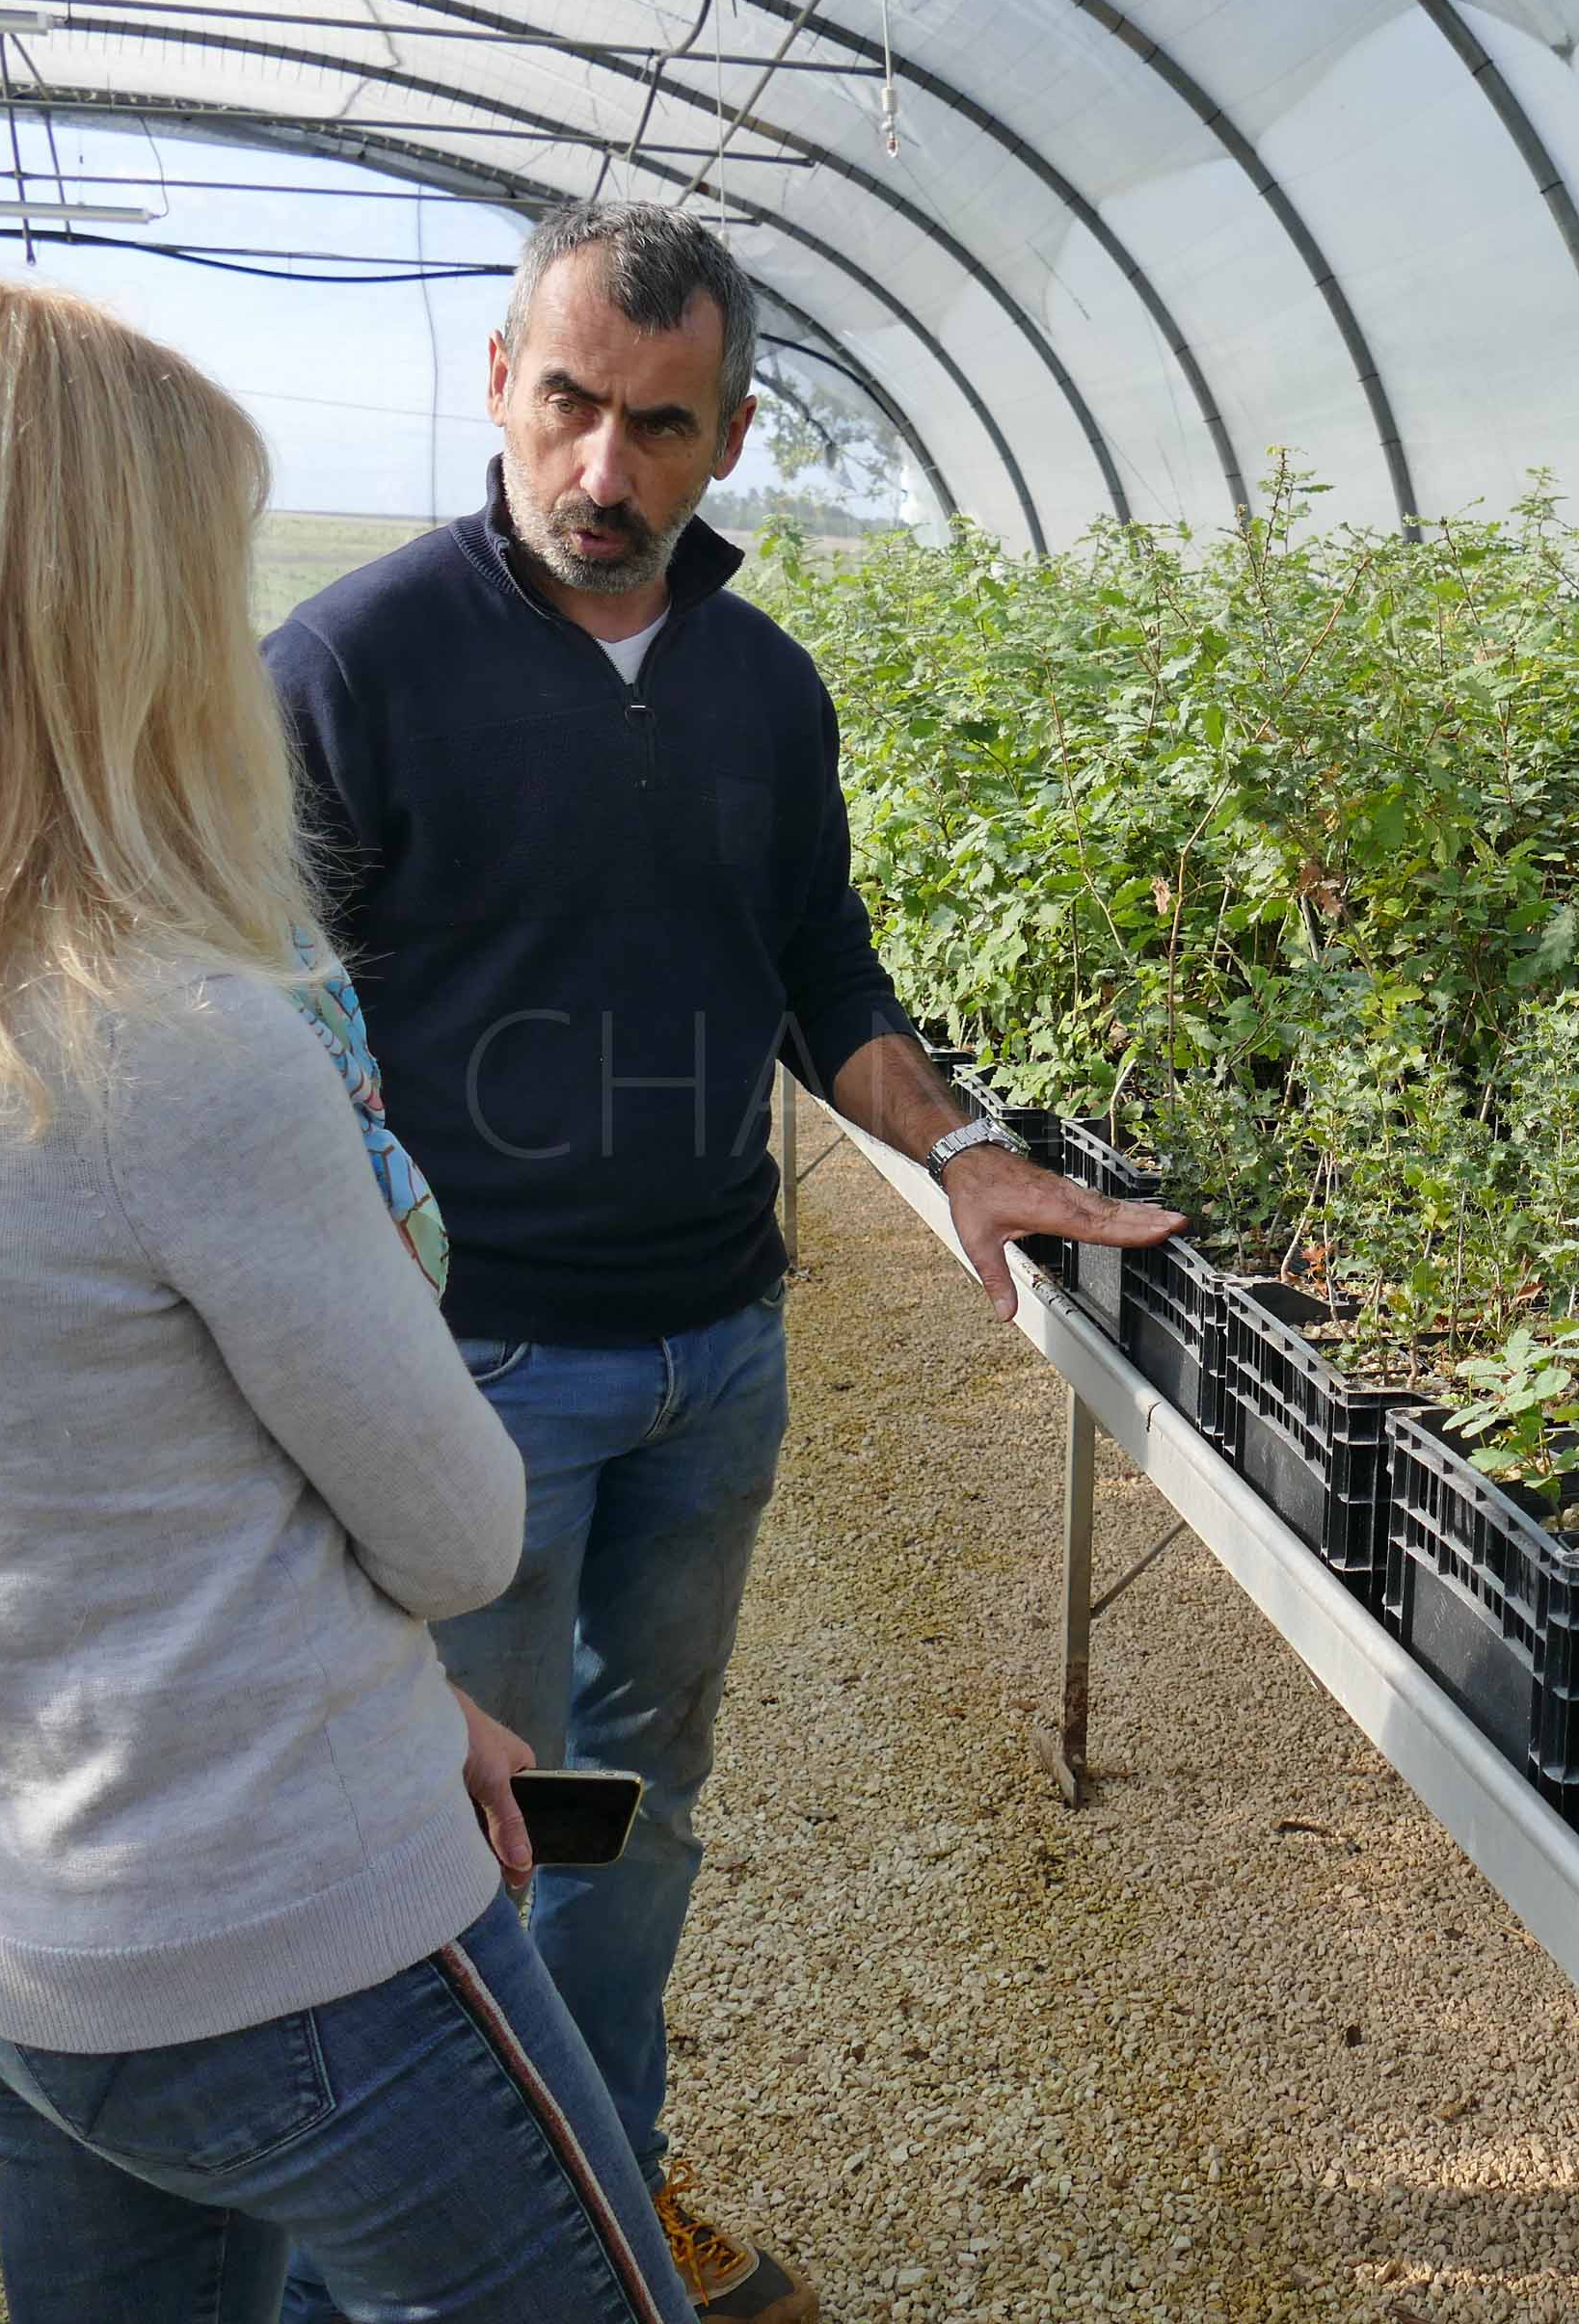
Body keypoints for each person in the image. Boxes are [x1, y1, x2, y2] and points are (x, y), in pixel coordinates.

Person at [0, 268, 692, 2323]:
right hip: (285, 1951)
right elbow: (459, 1524)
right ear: (84, 624)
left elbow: (57, 1493)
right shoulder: (156, 1049)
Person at [268, 201, 1180, 2324]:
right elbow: (264, 1027)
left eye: (659, 427)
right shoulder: (347, 668)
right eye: (569, 404)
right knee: (433, 1837)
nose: (605, 468)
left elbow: (812, 966)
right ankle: (395, 2269)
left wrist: (961, 1150)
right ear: (501, 383)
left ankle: (604, 2185)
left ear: (733, 436)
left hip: (707, 1359)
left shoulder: (765, 685)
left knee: (623, 1804)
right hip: (465, 1374)